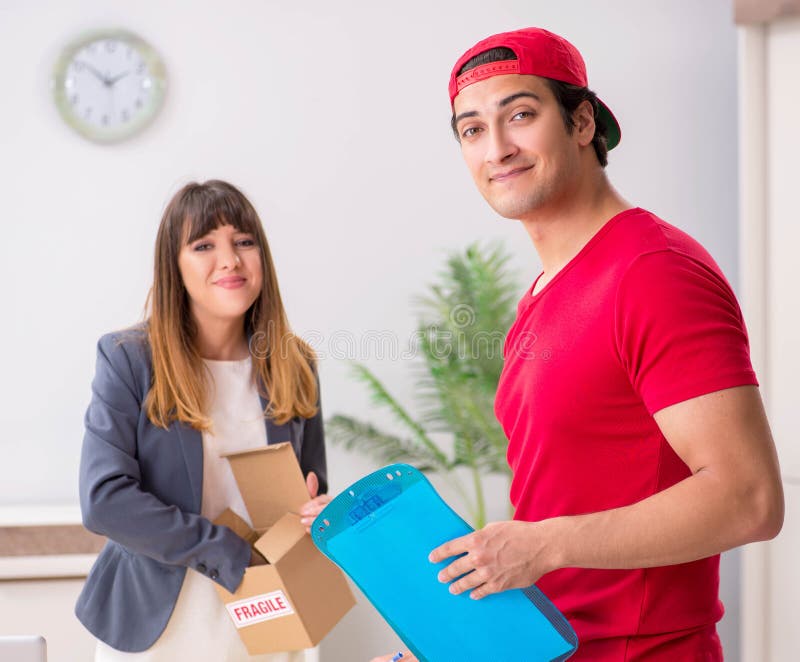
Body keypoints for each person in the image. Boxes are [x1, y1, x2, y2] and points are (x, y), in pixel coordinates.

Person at [373, 27, 784, 661]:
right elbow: (560, 511)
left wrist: (545, 545)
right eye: (472, 130)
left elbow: (749, 498)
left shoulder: (653, 272)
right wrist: (463, 647)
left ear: (583, 121)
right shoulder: (543, 294)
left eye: (520, 115)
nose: (498, 148)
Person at [76, 180, 332, 660]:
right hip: (160, 630)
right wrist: (227, 550)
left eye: (244, 241)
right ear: (175, 266)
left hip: (270, 625)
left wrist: (321, 513)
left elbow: (314, 489)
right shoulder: (130, 360)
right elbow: (104, 500)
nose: (230, 259)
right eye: (204, 245)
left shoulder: (296, 362)